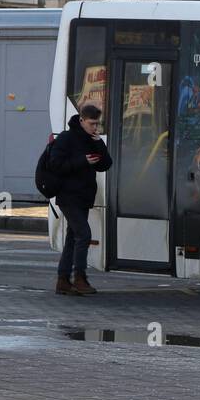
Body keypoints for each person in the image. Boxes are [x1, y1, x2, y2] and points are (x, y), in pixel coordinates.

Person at [48, 104, 113, 296]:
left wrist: (99, 142)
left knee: (72, 237)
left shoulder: (92, 139)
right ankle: (80, 277)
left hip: (83, 196)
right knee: (84, 234)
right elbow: (55, 164)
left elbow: (106, 164)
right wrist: (83, 161)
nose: (95, 127)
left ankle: (63, 280)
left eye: (97, 124)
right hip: (68, 196)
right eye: (92, 124)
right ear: (82, 120)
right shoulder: (66, 138)